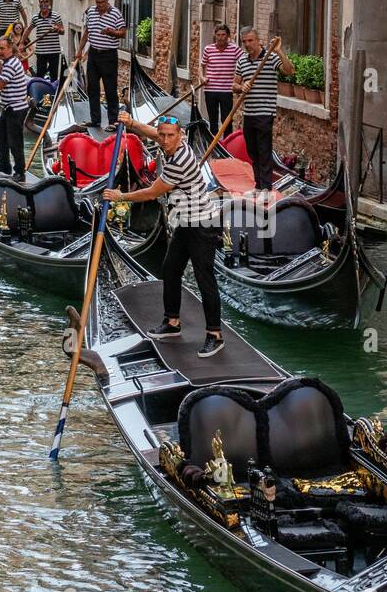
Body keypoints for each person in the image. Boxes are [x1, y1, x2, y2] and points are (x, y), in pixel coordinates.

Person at [103, 112, 225, 358]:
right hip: (186, 221)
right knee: (170, 269)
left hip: (203, 225)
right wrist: (132, 124)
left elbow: (151, 193)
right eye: (163, 135)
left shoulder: (180, 161)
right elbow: (154, 134)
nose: (165, 140)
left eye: (170, 136)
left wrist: (120, 196)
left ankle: (215, 335)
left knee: (205, 280)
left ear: (180, 136)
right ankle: (172, 322)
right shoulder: (173, 141)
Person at [233, 28, 294, 193]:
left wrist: (279, 51)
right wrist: (241, 86)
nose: (247, 44)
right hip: (249, 113)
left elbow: (290, 71)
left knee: (264, 150)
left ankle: (266, 188)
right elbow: (234, 85)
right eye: (244, 41)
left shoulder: (271, 58)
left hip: (265, 112)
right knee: (252, 151)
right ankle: (258, 185)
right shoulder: (242, 61)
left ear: (258, 40)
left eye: (250, 40)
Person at [77, 0, 127, 129]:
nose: (99, 5)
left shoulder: (115, 14)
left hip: (108, 55)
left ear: (107, 0)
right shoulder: (91, 11)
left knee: (110, 89)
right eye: (97, 3)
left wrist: (112, 32)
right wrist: (80, 51)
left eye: (102, 3)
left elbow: (123, 33)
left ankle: (113, 122)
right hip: (93, 54)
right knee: (92, 88)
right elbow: (87, 32)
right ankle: (95, 120)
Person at [0, 36, 32, 180]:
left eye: (2, 49)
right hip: (9, 107)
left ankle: (20, 172)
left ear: (10, 48)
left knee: (15, 142)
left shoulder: (12, 64)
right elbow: (2, 73)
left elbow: (0, 84)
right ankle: (5, 165)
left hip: (16, 108)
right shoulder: (8, 62)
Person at [200, 24, 240, 137]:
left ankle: (227, 143)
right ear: (215, 35)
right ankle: (214, 145)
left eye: (223, 35)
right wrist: (202, 77)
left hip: (227, 90)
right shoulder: (208, 49)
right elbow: (201, 65)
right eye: (218, 35)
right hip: (210, 89)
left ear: (228, 36)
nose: (221, 37)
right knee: (213, 120)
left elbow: (244, 62)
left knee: (226, 120)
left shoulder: (235, 49)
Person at [30, 0, 65, 82]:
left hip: (54, 51)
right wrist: (22, 42)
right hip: (41, 51)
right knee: (40, 75)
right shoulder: (35, 17)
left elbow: (62, 31)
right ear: (39, 5)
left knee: (53, 75)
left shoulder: (56, 16)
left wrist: (58, 29)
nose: (44, 5)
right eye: (41, 3)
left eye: (46, 3)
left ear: (49, 4)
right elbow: (28, 29)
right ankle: (40, 93)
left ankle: (53, 94)